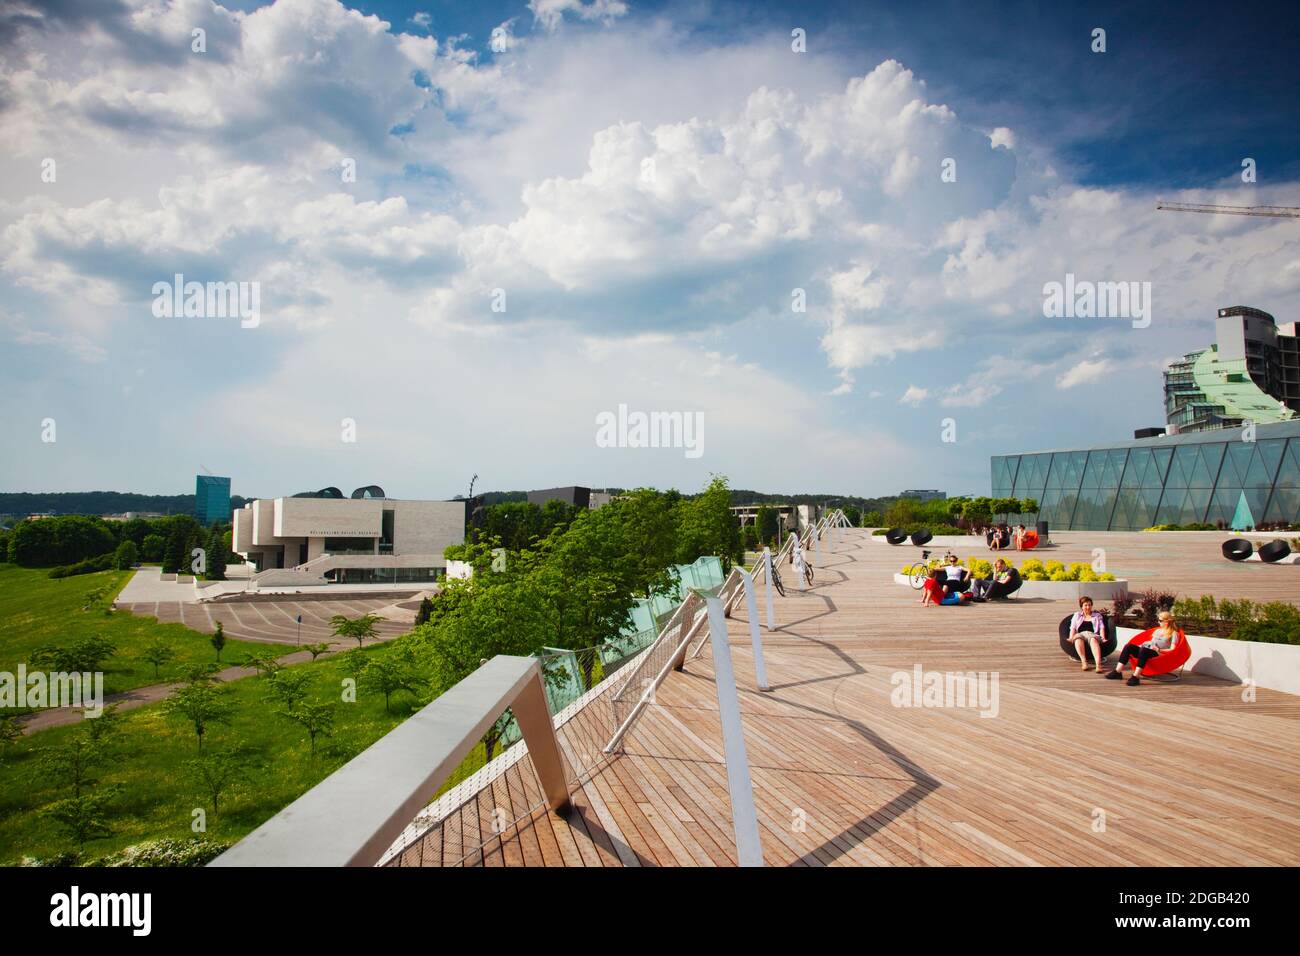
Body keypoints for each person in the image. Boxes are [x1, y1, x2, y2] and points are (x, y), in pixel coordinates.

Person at [1107, 610, 1184, 686]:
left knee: (1144, 650)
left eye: (1160, 620)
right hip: (1147, 649)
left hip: (1158, 654)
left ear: (1166, 622)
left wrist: (1158, 649)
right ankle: (1118, 672)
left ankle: (1136, 677)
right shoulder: (1157, 631)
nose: (1158, 622)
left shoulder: (1174, 633)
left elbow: (1173, 649)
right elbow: (1151, 642)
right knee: (1128, 647)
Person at [1068, 596, 1107, 673]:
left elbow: (1102, 627)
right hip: (1081, 634)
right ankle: (1084, 662)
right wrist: (1071, 637)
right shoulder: (1077, 615)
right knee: (1078, 639)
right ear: (1082, 606)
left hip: (1092, 634)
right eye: (1085, 605)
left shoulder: (1097, 616)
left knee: (1093, 640)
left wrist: (1103, 638)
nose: (1088, 607)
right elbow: (1073, 628)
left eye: (1089, 605)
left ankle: (1098, 665)